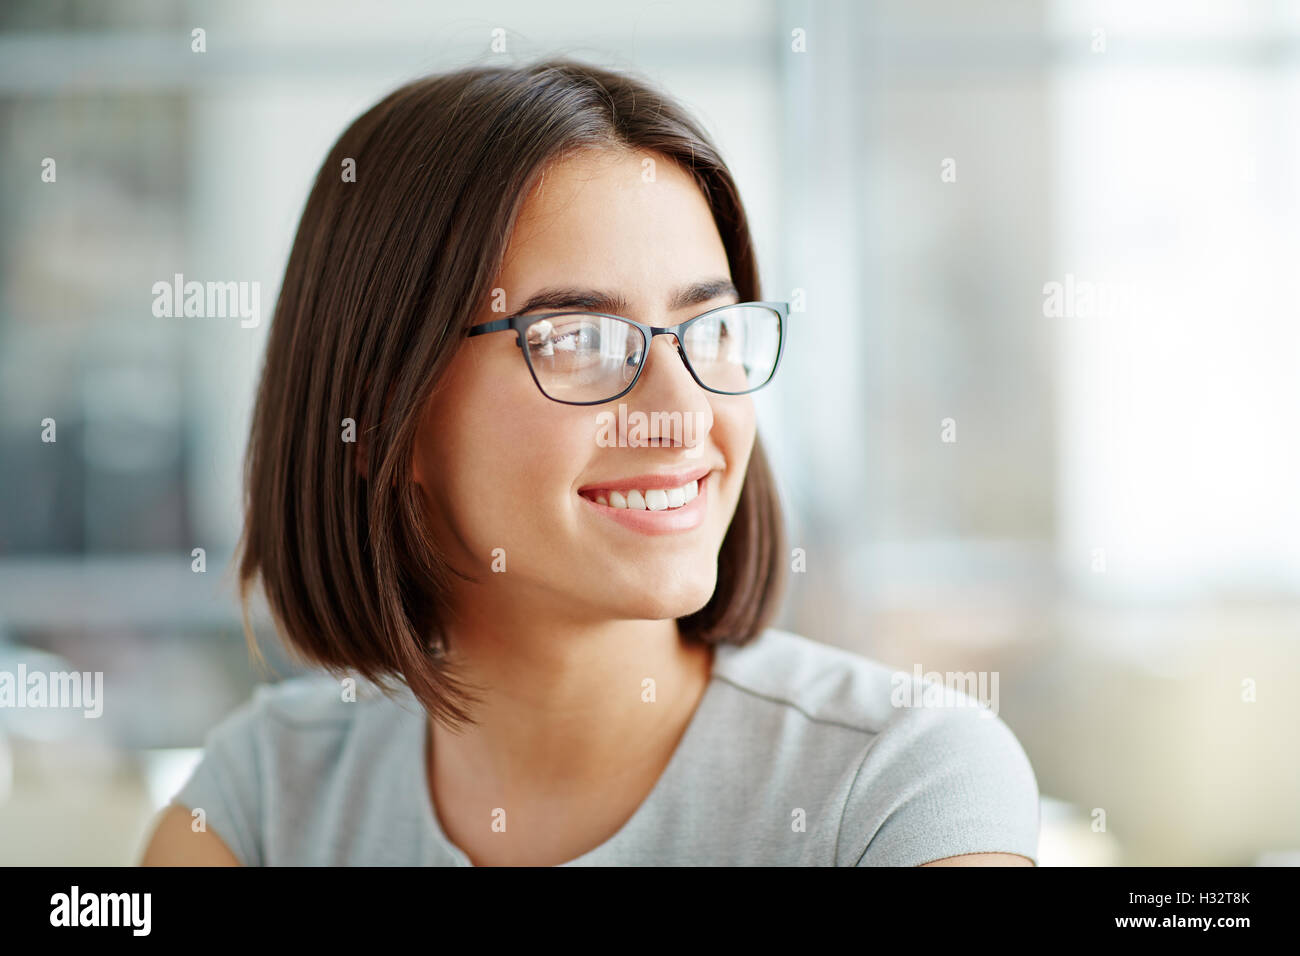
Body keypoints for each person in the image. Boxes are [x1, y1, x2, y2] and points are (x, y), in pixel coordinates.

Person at [141, 58, 1039, 867]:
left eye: (711, 330)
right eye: (577, 338)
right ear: (382, 417)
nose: (684, 413)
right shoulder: (260, 801)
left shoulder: (900, 787)